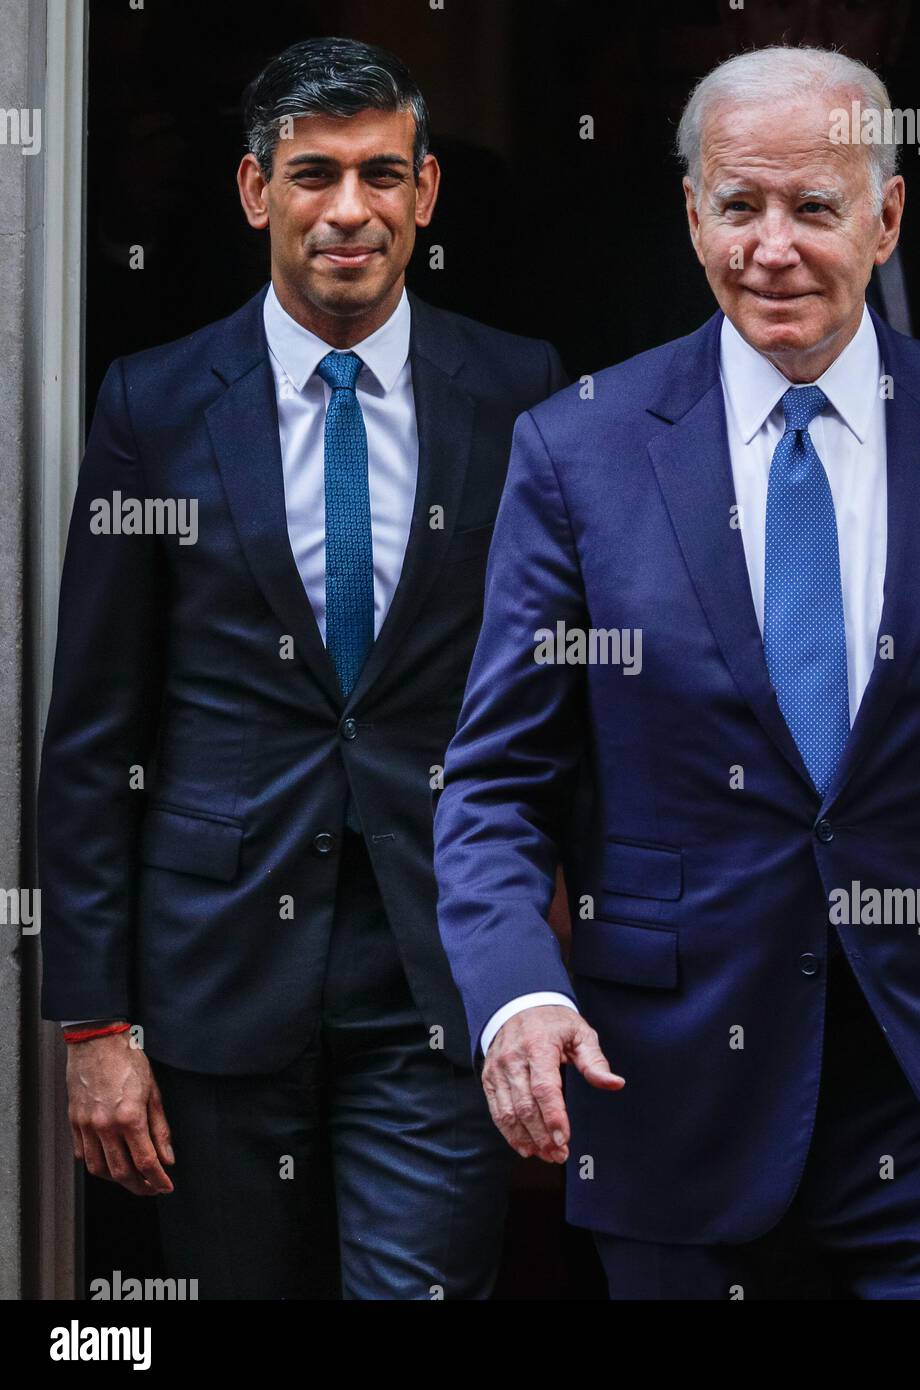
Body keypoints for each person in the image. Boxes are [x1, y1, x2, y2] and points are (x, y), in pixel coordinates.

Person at [432, 45, 920, 1299]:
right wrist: (515, 998)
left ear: (884, 218)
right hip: (675, 1097)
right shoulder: (577, 452)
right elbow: (492, 786)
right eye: (739, 206)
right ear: (691, 214)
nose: (772, 247)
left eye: (814, 208)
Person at [38, 36, 565, 1299]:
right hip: (215, 966)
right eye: (314, 173)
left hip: (437, 963)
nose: (349, 211)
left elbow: (559, 695)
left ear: (425, 194)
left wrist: (560, 943)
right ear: (253, 189)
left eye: (382, 175)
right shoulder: (153, 404)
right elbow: (94, 731)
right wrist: (97, 1024)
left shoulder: (520, 391)